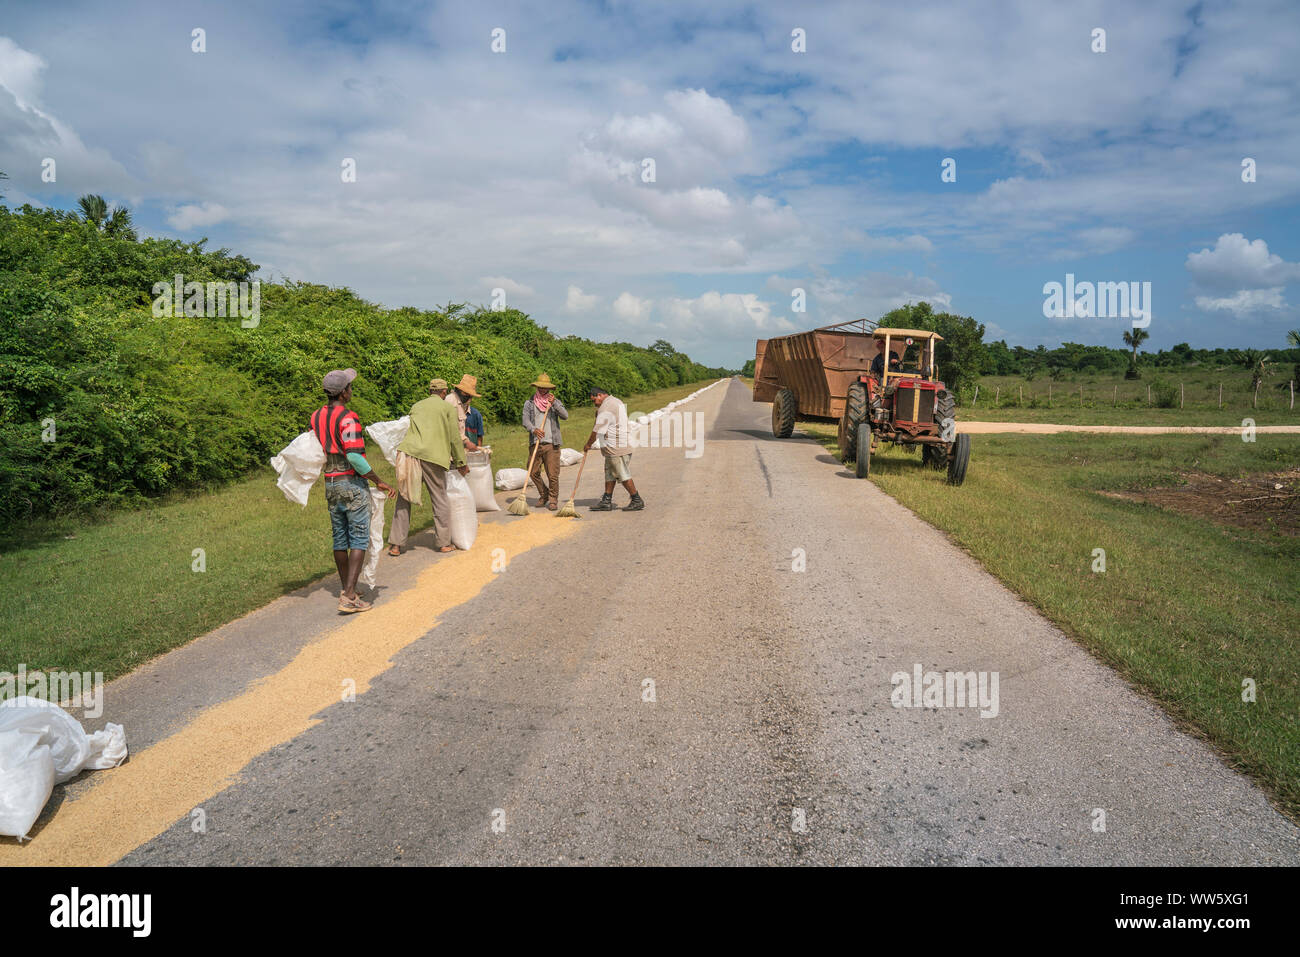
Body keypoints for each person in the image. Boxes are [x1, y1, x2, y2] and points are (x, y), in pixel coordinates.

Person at [311, 368, 395, 613]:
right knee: (358, 537)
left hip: (330, 482)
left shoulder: (315, 417)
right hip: (350, 481)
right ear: (344, 393)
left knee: (340, 538)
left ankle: (347, 587)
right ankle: (349, 597)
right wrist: (379, 480)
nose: (351, 391)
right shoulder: (349, 418)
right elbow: (355, 457)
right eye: (350, 387)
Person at [387, 378, 468, 556]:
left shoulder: (417, 406)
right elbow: (455, 437)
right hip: (434, 457)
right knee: (439, 498)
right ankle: (444, 543)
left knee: (404, 497)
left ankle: (396, 545)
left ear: (430, 391)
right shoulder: (447, 408)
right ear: (444, 392)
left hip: (410, 454)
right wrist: (461, 462)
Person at [583, 386, 644, 512]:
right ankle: (606, 500)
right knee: (610, 473)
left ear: (599, 395)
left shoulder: (606, 406)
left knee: (622, 474)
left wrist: (588, 444)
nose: (594, 403)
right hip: (617, 445)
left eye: (594, 400)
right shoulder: (615, 401)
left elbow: (598, 430)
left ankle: (636, 499)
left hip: (616, 447)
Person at [522, 373, 568, 510]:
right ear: (537, 387)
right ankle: (544, 494)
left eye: (545, 387)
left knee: (552, 474)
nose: (542, 390)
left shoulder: (554, 401)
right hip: (535, 443)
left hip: (551, 444)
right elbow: (525, 421)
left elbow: (565, 416)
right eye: (540, 387)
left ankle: (553, 499)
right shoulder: (529, 403)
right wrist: (533, 429)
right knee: (533, 471)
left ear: (549, 388)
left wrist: (554, 404)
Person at [446, 374, 481, 452]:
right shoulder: (451, 402)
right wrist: (467, 442)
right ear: (462, 392)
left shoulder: (461, 403)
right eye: (468, 395)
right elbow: (451, 429)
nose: (470, 399)